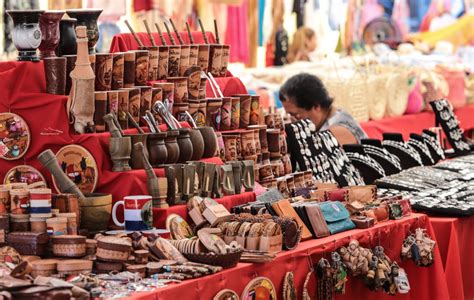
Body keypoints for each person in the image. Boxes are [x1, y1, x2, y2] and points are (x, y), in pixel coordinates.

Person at [279, 73, 368, 145]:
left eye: (296, 115)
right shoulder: (325, 121)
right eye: (289, 115)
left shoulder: (338, 131)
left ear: (316, 106)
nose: (292, 121)